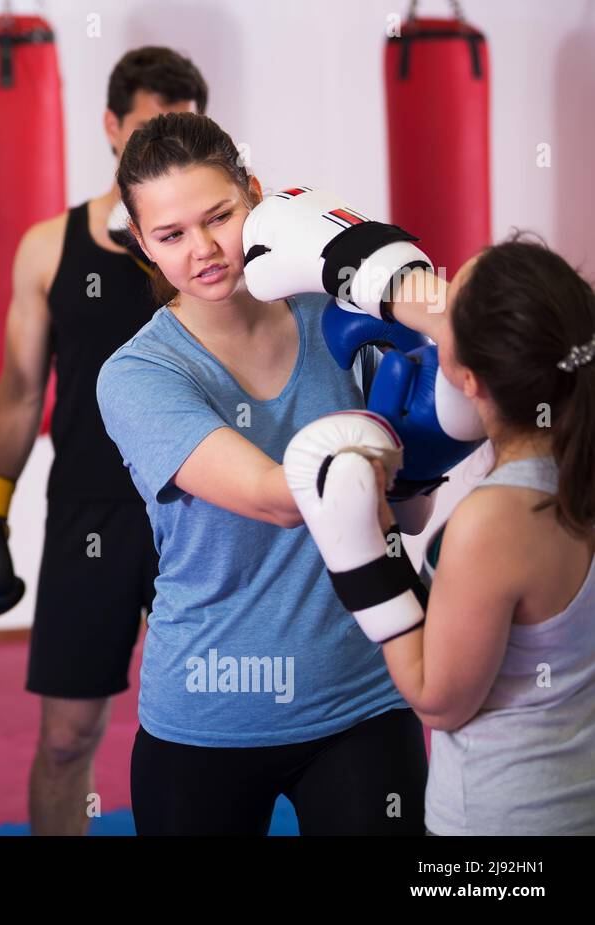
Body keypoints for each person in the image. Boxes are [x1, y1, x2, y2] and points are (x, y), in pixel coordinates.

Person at [95, 113, 446, 835]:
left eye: (219, 216)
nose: (204, 250)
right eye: (171, 235)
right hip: (207, 711)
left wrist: (424, 454)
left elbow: (407, 514)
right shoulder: (137, 373)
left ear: (257, 196)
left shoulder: (339, 315)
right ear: (142, 244)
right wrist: (376, 444)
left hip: (362, 698)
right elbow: (276, 496)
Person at [0, 47, 207, 835]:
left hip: (200, 506)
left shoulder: (213, 248)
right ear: (108, 125)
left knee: (211, 735)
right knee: (66, 738)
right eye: (146, 130)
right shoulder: (48, 247)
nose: (164, 148)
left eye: (183, 132)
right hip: (89, 511)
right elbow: (21, 391)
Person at [278, 231, 595, 835]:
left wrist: (367, 550)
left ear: (468, 380)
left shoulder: (497, 520)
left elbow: (440, 699)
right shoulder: (575, 473)